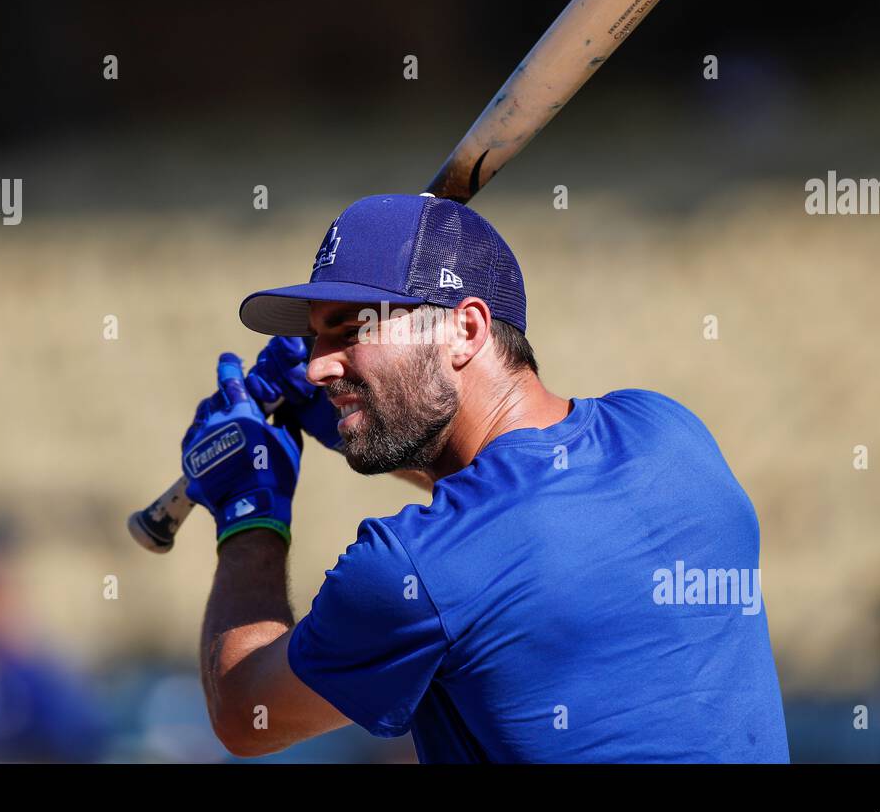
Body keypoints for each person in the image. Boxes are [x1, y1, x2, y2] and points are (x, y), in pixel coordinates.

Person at [180, 193, 789, 762]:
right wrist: (364, 405)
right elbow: (521, 526)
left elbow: (246, 711)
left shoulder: (408, 571)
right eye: (315, 338)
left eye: (350, 329)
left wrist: (248, 509)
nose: (316, 367)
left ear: (465, 330)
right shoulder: (667, 433)